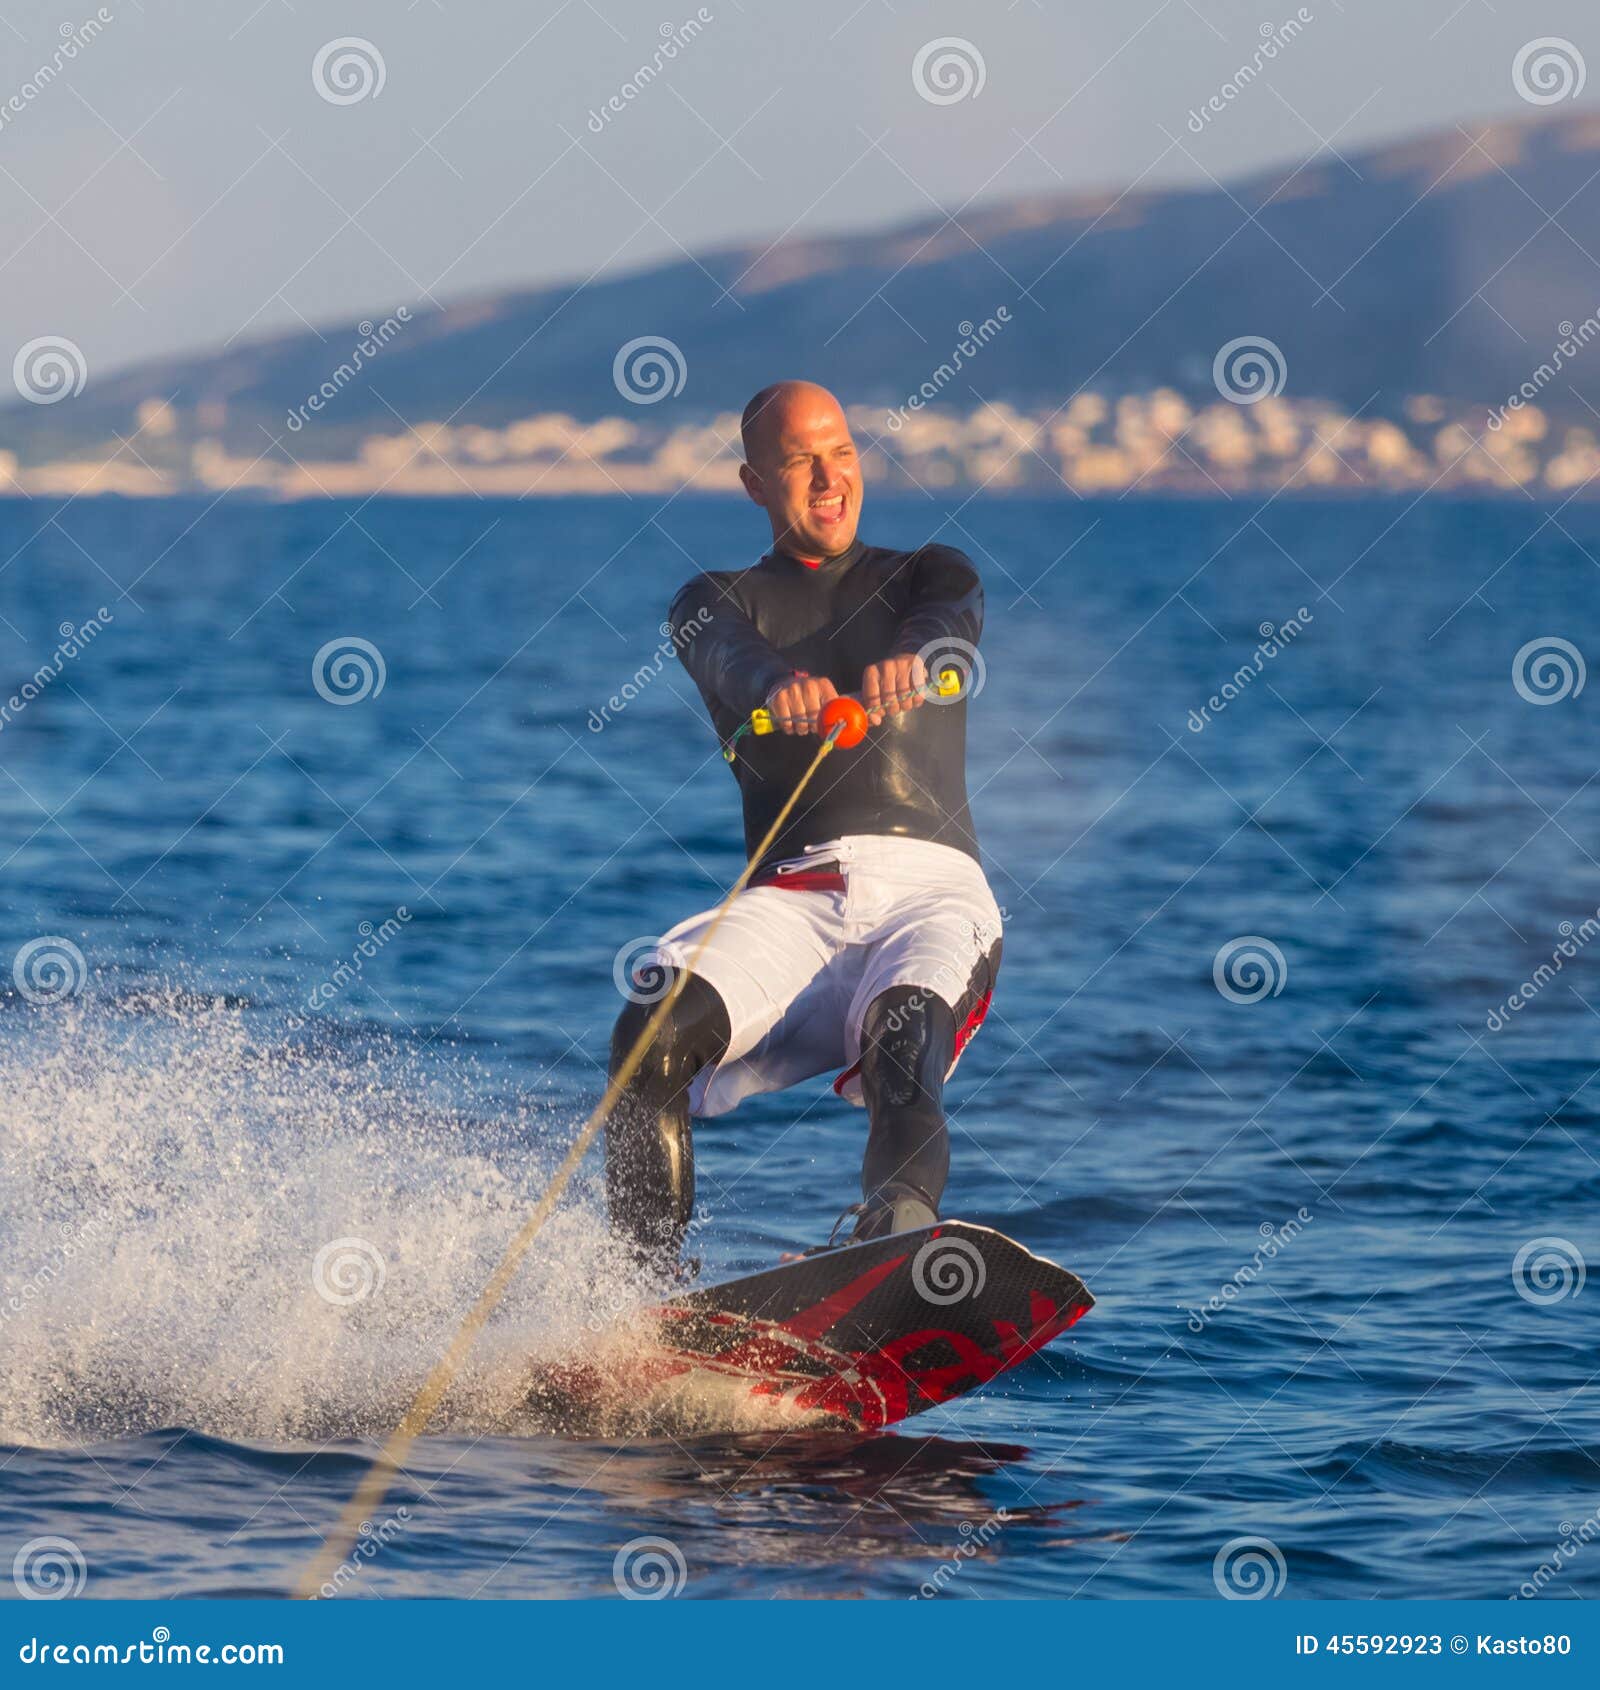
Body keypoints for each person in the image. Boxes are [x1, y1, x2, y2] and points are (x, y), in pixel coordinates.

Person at [603, 380, 1002, 1269]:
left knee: (905, 1042)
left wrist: (913, 655)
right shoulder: (714, 600)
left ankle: (892, 1248)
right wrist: (772, 686)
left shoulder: (931, 575)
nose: (829, 477)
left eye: (843, 453)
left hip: (930, 894)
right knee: (649, 1038)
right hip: (799, 894)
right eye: (799, 461)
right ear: (755, 484)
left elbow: (951, 624)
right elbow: (724, 654)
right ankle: (640, 1299)